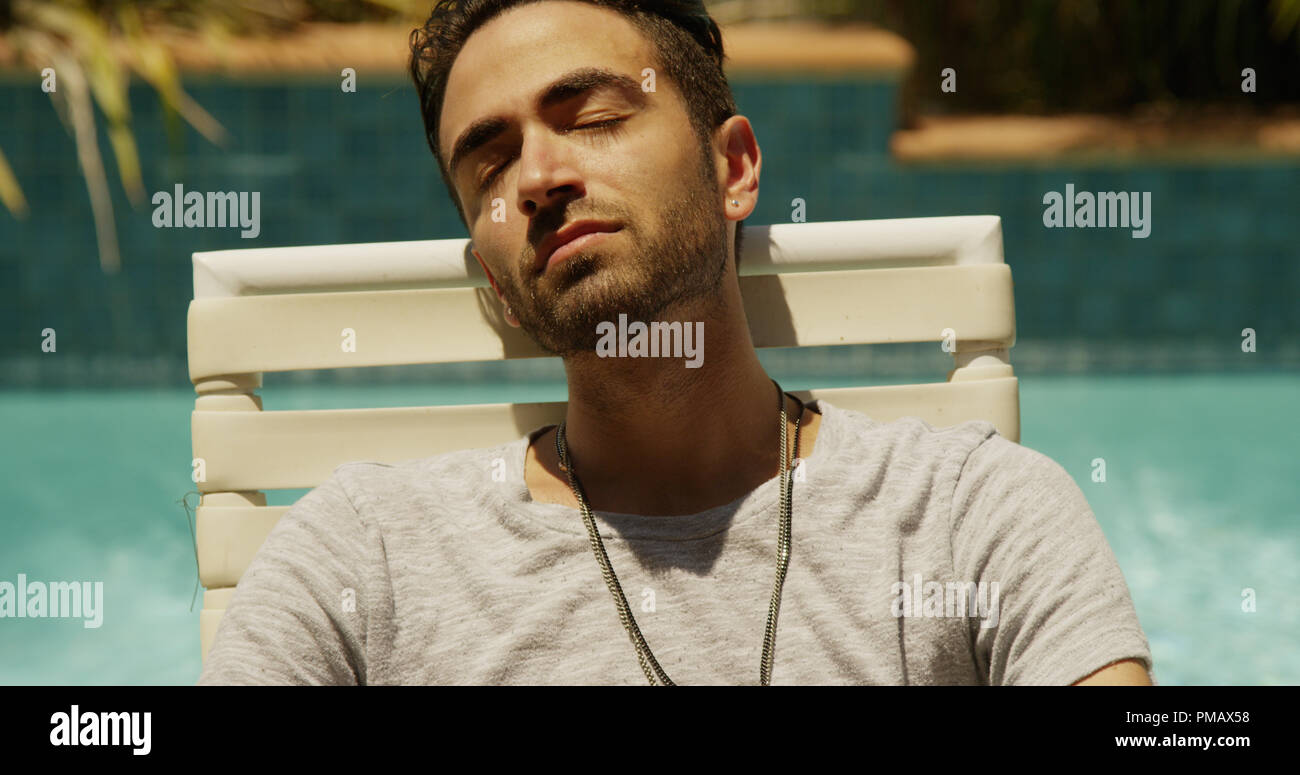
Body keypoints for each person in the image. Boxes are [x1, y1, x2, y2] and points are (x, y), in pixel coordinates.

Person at [198, 0, 1153, 685]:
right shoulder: (364, 554)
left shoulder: (967, 514)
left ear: (733, 167)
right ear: (491, 274)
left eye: (596, 119)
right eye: (489, 161)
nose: (537, 175)